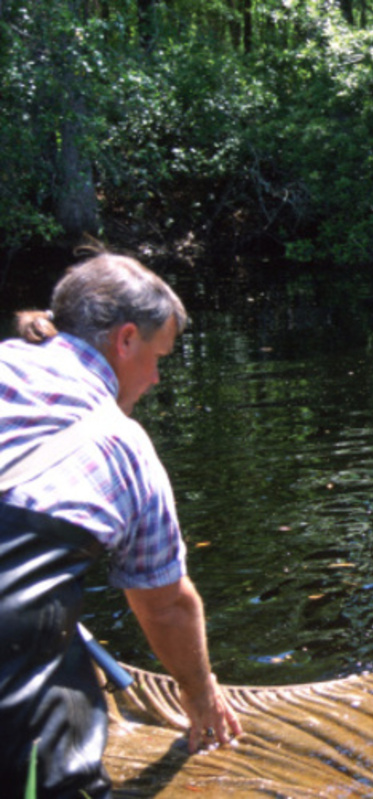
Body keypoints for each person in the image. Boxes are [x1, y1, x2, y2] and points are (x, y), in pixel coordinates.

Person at [0, 252, 242, 798]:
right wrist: (200, 695)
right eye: (158, 358)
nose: (155, 378)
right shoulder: (122, 443)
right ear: (126, 339)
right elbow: (165, 605)